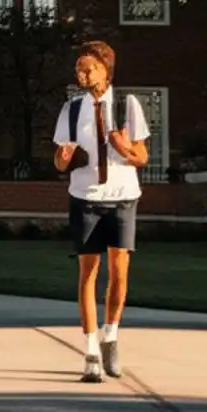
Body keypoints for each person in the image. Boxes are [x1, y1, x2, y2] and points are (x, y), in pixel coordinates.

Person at [53, 40, 150, 383]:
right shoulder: (72, 110)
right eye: (78, 67)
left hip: (123, 196)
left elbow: (142, 157)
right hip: (85, 197)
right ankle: (91, 349)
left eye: (88, 67)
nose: (82, 73)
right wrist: (63, 159)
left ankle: (111, 334)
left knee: (120, 272)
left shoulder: (127, 105)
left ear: (106, 69)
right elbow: (59, 160)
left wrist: (124, 147)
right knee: (88, 273)